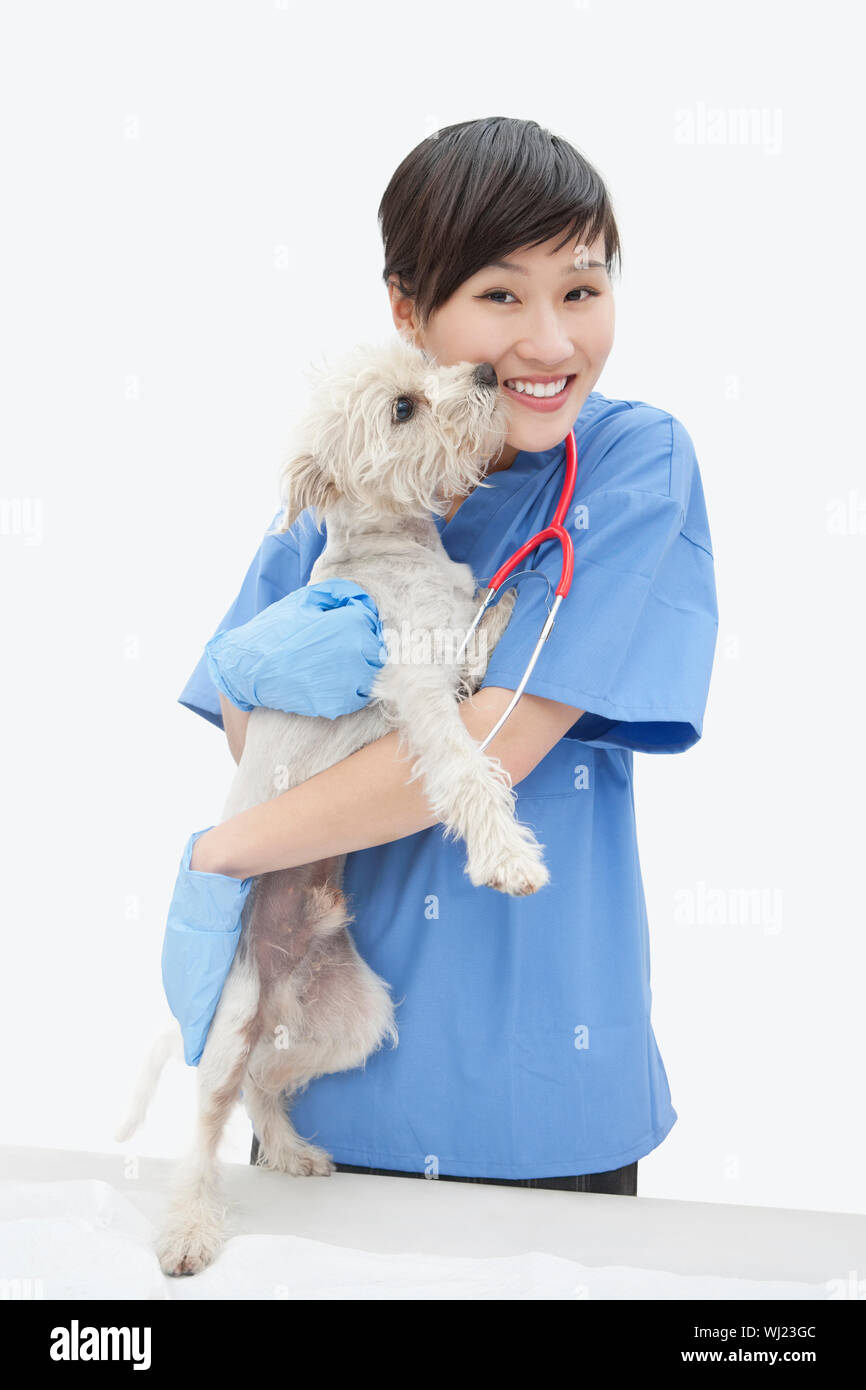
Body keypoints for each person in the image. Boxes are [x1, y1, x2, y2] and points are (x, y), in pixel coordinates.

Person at [174, 117, 718, 1196]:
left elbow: (498, 738)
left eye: (580, 289)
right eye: (500, 296)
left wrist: (222, 854)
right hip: (321, 1092)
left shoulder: (627, 461)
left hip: (543, 1095)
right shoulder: (355, 462)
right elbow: (259, 730)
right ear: (407, 309)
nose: (551, 342)